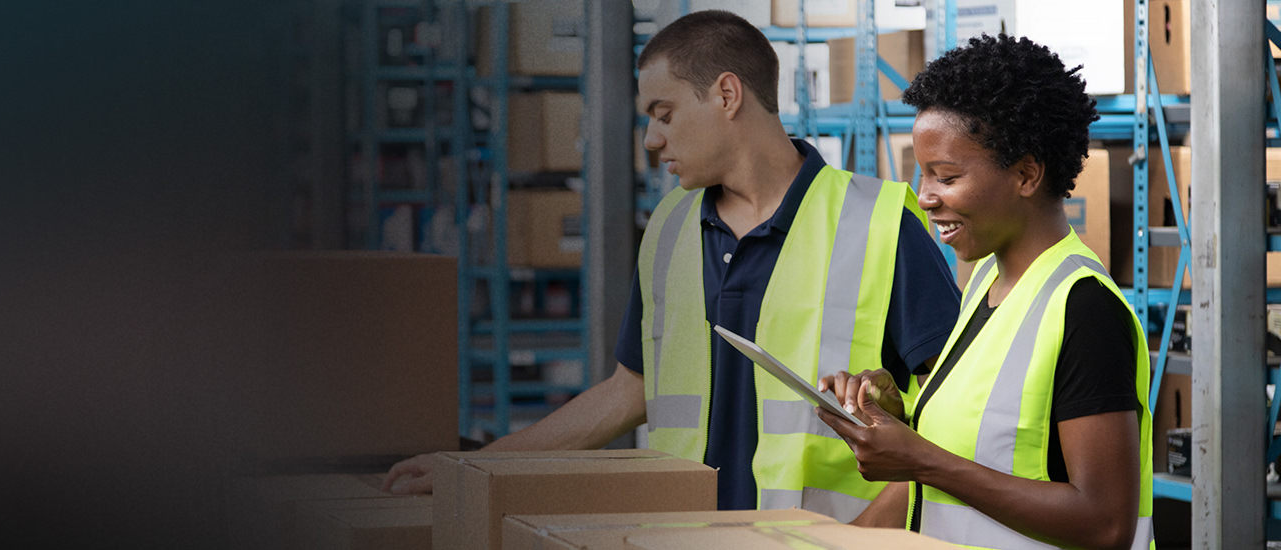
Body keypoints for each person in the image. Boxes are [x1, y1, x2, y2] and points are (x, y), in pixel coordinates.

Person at [383, 10, 961, 519]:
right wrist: (475, 466)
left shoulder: (876, 222)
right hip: (681, 536)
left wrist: (859, 540)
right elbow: (626, 392)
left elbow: (951, 423)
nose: (652, 140)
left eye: (663, 113)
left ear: (727, 94)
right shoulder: (669, 227)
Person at [815, 34, 1153, 549]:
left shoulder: (1085, 309)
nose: (925, 197)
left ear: (1026, 173)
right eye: (923, 174)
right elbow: (985, 449)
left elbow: (1105, 524)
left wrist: (920, 458)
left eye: (946, 176)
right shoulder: (986, 286)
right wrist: (897, 416)